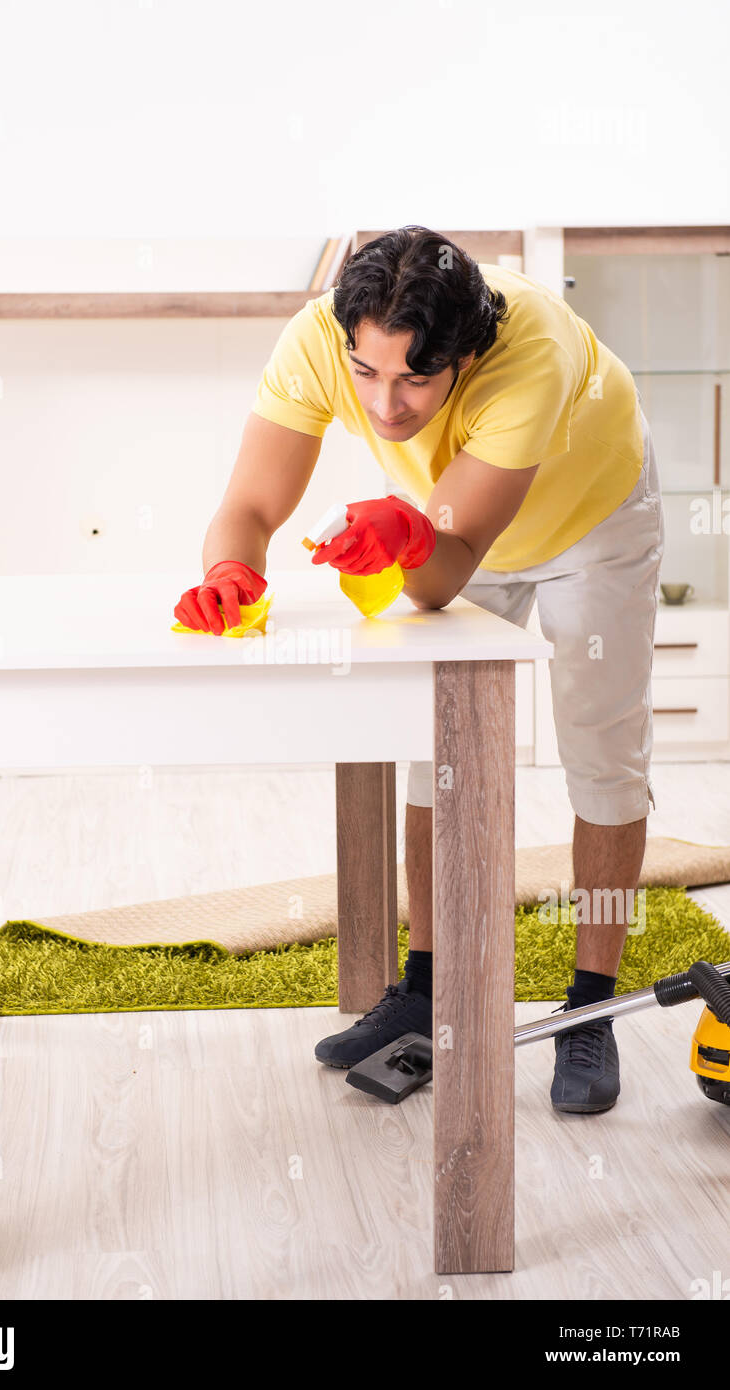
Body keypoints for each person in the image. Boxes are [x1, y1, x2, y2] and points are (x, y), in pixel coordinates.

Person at [174, 225, 664, 1114]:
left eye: (413, 380)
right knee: (428, 749)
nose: (384, 406)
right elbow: (246, 505)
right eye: (366, 373)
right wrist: (228, 570)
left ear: (464, 356)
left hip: (589, 522)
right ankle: (424, 990)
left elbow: (448, 569)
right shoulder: (320, 337)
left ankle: (589, 1006)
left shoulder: (531, 356)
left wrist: (407, 534)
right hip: (454, 520)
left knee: (598, 750)